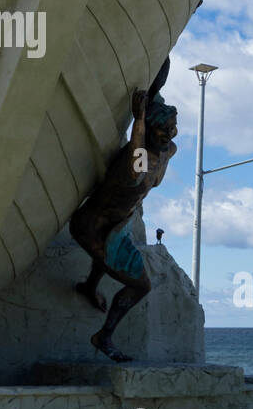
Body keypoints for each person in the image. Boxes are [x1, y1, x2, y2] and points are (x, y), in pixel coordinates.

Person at [70, 87, 178, 362]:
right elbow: (135, 152)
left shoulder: (166, 151)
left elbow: (154, 93)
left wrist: (157, 76)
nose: (169, 134)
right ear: (147, 130)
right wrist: (138, 119)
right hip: (92, 228)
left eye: (172, 127)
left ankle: (88, 286)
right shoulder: (135, 166)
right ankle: (103, 336)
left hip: (118, 226)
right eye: (162, 129)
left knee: (112, 257)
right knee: (141, 285)